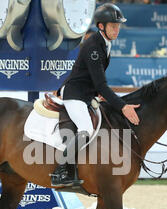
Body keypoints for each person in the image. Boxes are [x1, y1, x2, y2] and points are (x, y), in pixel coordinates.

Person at [50, 3, 140, 188]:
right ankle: (61, 171)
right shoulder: (93, 45)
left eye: (118, 26)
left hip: (86, 92)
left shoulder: (104, 43)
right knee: (86, 129)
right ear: (101, 26)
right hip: (75, 94)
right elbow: (101, 83)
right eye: (113, 26)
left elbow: (92, 78)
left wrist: (100, 94)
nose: (117, 29)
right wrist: (122, 105)